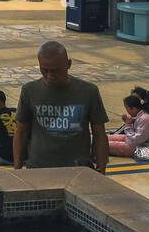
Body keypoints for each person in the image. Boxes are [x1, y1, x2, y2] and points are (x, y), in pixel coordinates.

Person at [13, 41, 108, 172]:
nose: (49, 76)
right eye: (44, 71)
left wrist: (101, 168)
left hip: (77, 168)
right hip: (39, 167)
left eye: (55, 71)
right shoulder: (30, 90)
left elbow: (99, 133)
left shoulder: (88, 91)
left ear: (68, 64)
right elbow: (21, 131)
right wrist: (17, 168)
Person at [108, 95, 149, 159]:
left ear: (133, 108)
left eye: (127, 108)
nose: (127, 111)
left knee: (104, 144)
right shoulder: (140, 116)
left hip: (145, 149)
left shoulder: (145, 119)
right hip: (134, 142)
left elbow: (137, 140)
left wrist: (128, 125)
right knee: (104, 138)